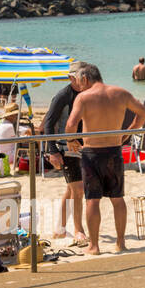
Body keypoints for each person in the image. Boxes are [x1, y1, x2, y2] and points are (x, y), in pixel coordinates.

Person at [65, 63, 145, 255]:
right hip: (114, 151)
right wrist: (130, 131)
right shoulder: (120, 93)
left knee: (92, 200)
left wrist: (71, 140)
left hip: (92, 152)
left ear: (85, 79)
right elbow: (144, 113)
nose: (78, 86)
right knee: (117, 198)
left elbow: (70, 124)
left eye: (78, 81)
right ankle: (121, 243)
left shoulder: (83, 97)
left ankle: (94, 246)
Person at [45, 63, 88, 245]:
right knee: (78, 189)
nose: (83, 81)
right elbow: (47, 123)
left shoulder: (87, 93)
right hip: (65, 147)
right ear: (71, 78)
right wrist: (53, 151)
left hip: (85, 147)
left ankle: (60, 228)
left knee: (71, 189)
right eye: (79, 77)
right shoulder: (63, 95)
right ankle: (79, 230)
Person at [0, 102, 21, 178]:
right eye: (16, 115)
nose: (17, 117)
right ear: (11, 116)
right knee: (31, 144)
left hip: (1, 154)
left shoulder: (3, 125)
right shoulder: (10, 126)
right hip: (9, 157)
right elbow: (29, 131)